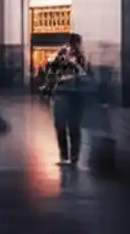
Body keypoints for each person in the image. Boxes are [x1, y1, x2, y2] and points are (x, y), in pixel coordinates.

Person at [41, 32, 89, 166]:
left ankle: (71, 157)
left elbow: (81, 75)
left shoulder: (79, 59)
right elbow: (51, 69)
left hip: (72, 96)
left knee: (71, 127)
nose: (71, 47)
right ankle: (67, 157)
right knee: (64, 127)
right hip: (65, 96)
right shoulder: (63, 56)